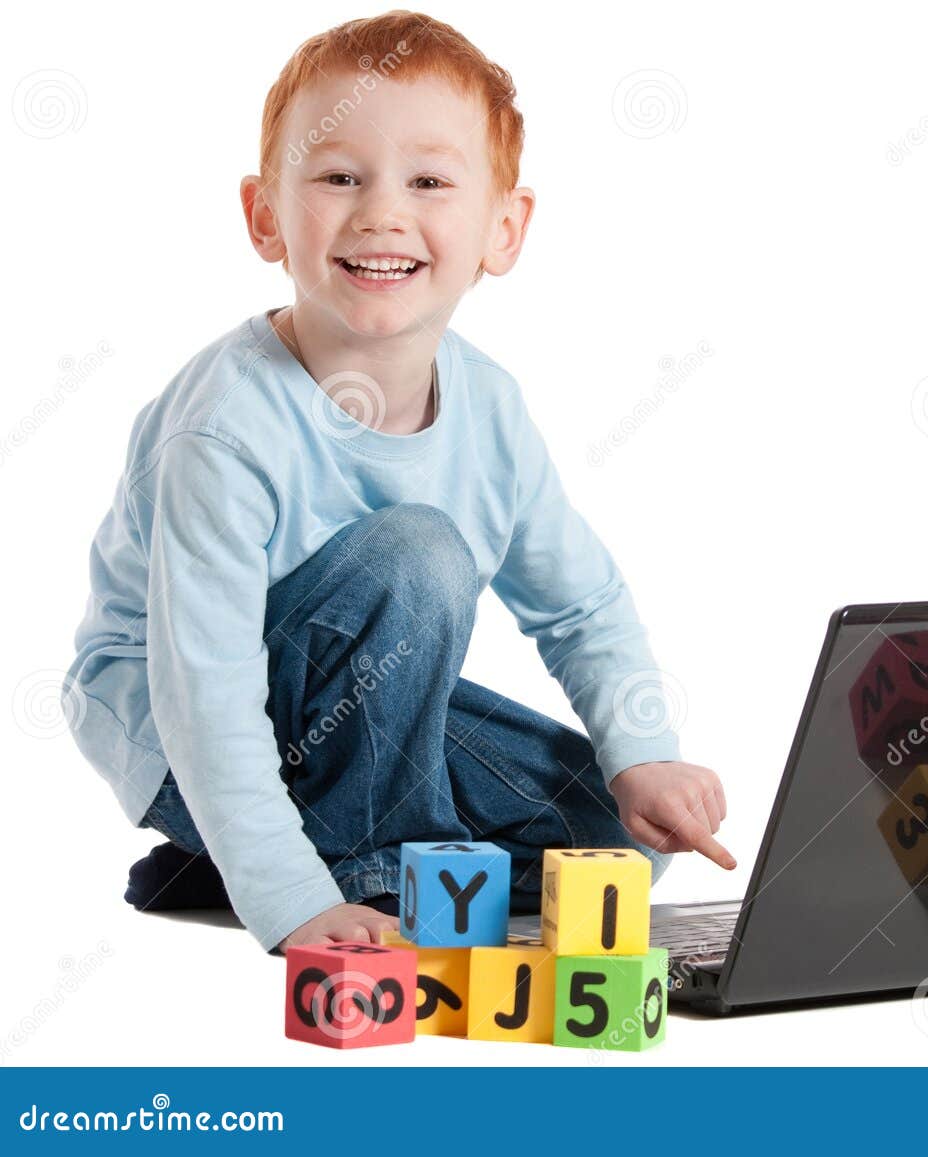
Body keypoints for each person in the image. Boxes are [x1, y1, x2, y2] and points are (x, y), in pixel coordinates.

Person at [63, 9, 733, 953]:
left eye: (428, 181)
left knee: (623, 836)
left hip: (360, 708)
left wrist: (646, 753)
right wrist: (294, 906)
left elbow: (581, 607)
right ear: (265, 216)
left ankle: (274, 852)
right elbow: (204, 691)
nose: (382, 212)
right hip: (180, 727)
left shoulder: (489, 408)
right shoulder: (225, 428)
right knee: (418, 552)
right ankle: (334, 869)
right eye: (339, 177)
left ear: (504, 229)